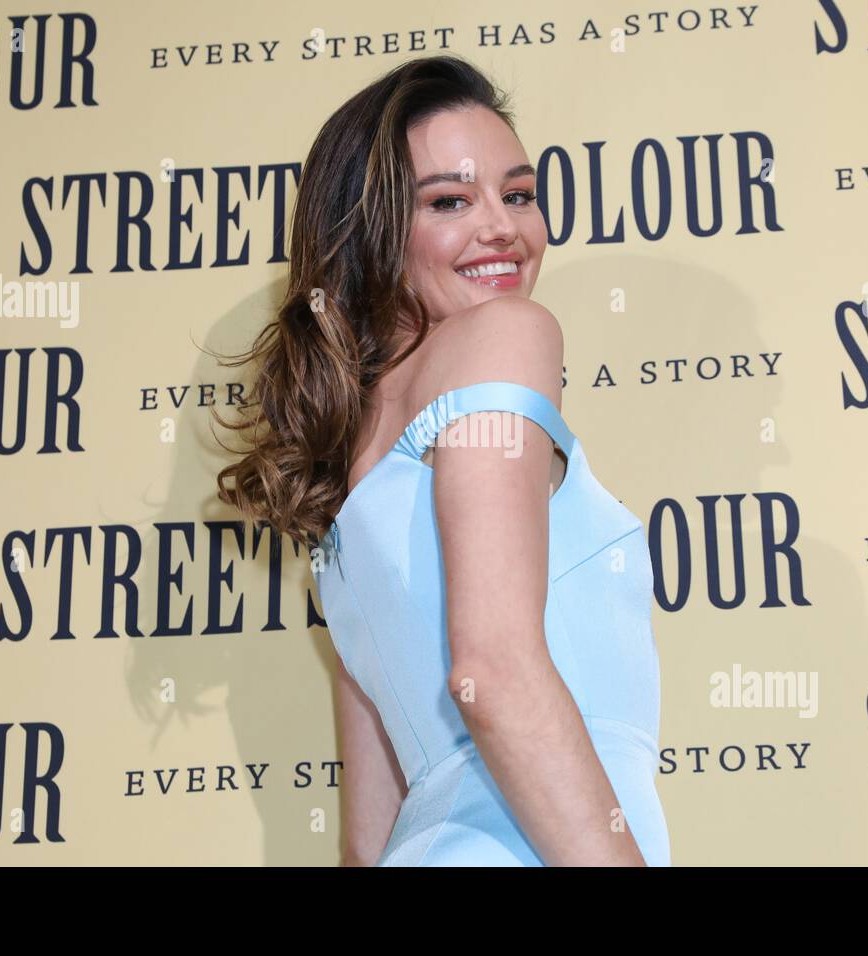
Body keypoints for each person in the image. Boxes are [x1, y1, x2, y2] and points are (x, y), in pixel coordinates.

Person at [215, 55, 669, 866]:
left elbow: (366, 843)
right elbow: (493, 671)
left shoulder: (350, 476)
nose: (503, 226)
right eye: (451, 201)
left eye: (519, 194)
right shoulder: (508, 334)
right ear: (374, 232)